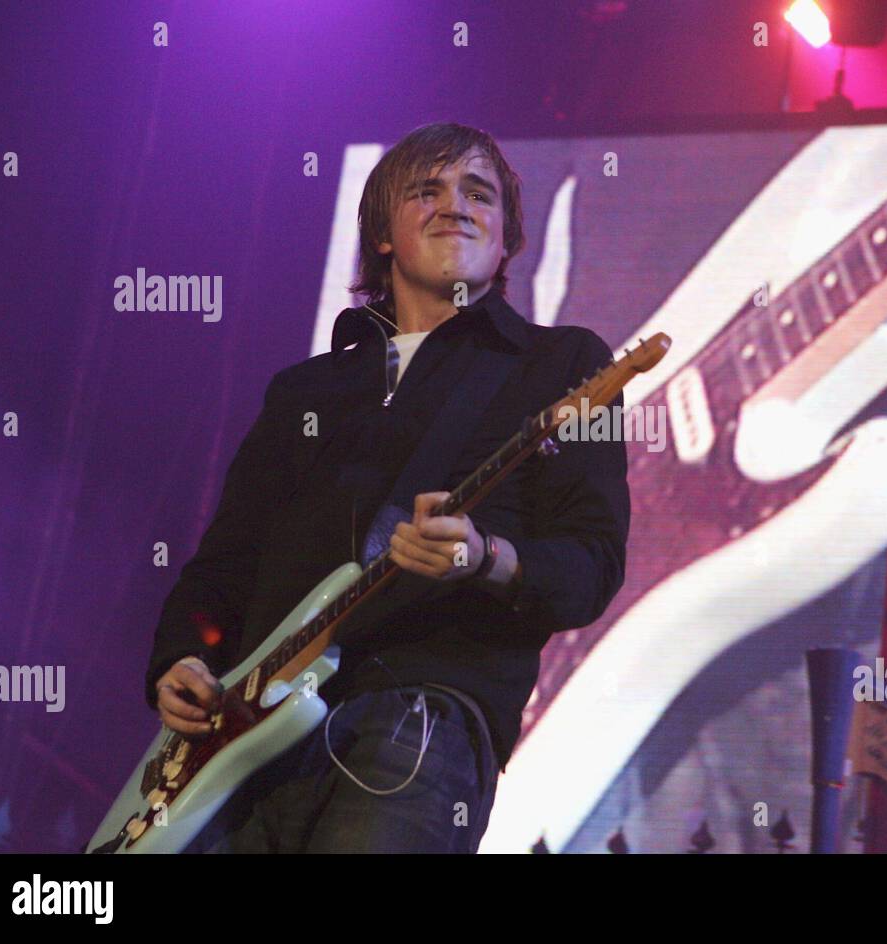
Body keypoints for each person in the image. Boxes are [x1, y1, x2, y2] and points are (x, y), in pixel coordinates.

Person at [144, 122, 630, 853]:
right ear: (381, 234)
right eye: (427, 190)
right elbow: (224, 565)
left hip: (416, 718)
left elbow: (592, 562)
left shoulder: (562, 364)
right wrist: (180, 657)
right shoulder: (305, 389)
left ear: (505, 240)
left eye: (479, 193)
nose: (456, 206)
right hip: (244, 739)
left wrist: (485, 556)